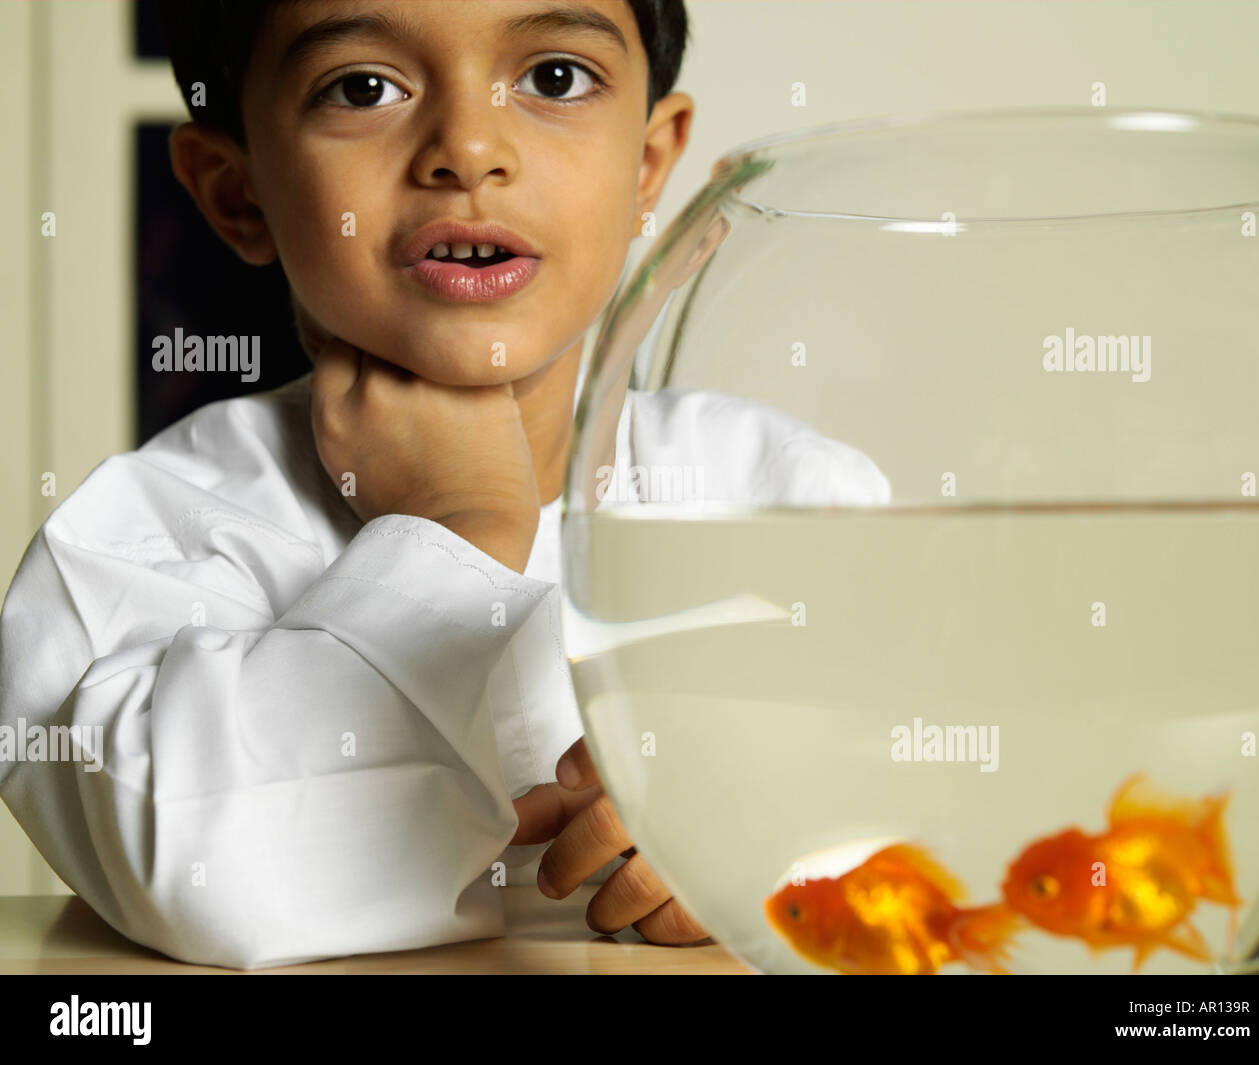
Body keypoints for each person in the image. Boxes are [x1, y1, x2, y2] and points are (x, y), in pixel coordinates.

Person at [0, 0, 888, 969]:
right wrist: (455, 529)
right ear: (235, 192)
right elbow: (180, 870)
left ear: (647, 165)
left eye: (553, 78)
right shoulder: (128, 545)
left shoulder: (796, 503)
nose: (467, 149)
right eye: (363, 88)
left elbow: (923, 802)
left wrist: (772, 850)